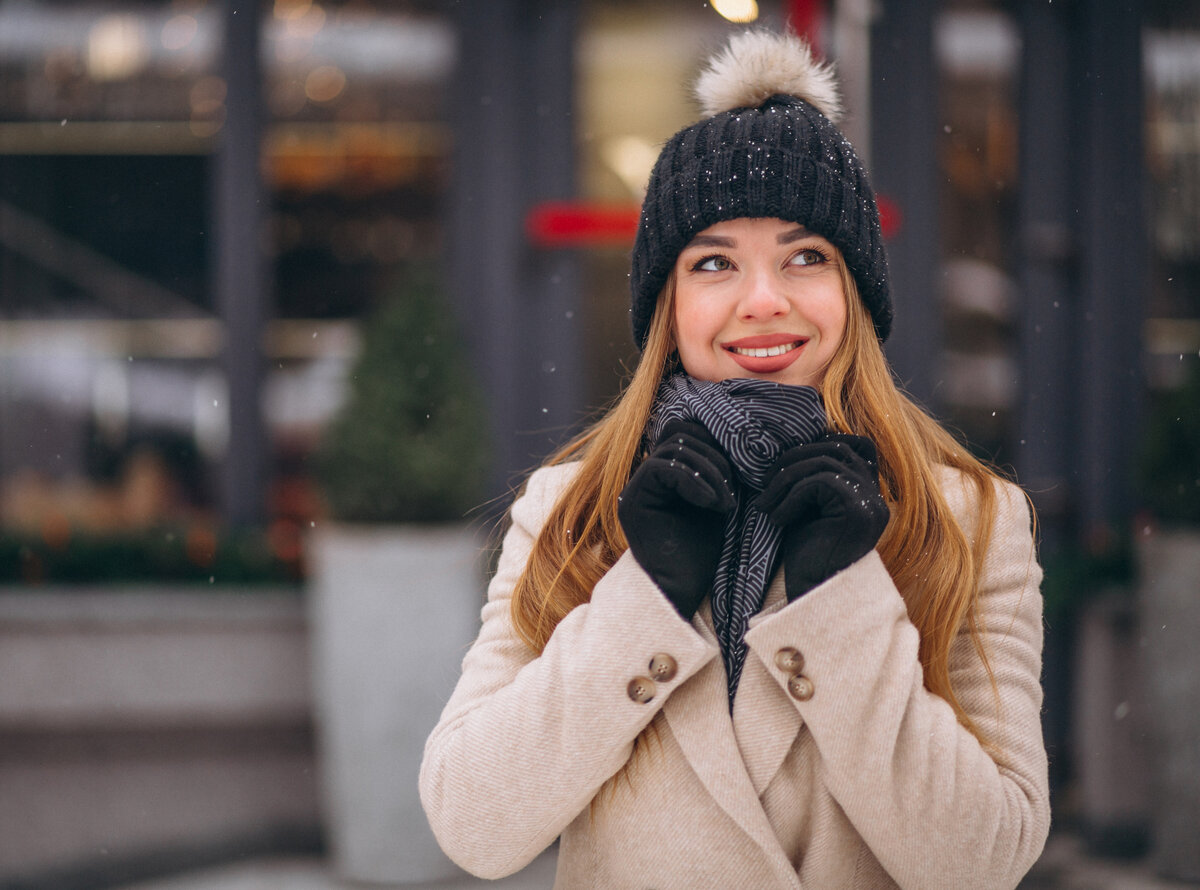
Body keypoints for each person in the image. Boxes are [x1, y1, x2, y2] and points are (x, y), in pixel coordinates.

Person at [420, 29, 1049, 890]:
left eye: (806, 257)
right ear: (668, 305)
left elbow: (986, 862)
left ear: (855, 293)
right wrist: (644, 598)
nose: (762, 300)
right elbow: (473, 824)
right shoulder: (573, 507)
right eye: (714, 262)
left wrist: (841, 604)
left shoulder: (970, 520)